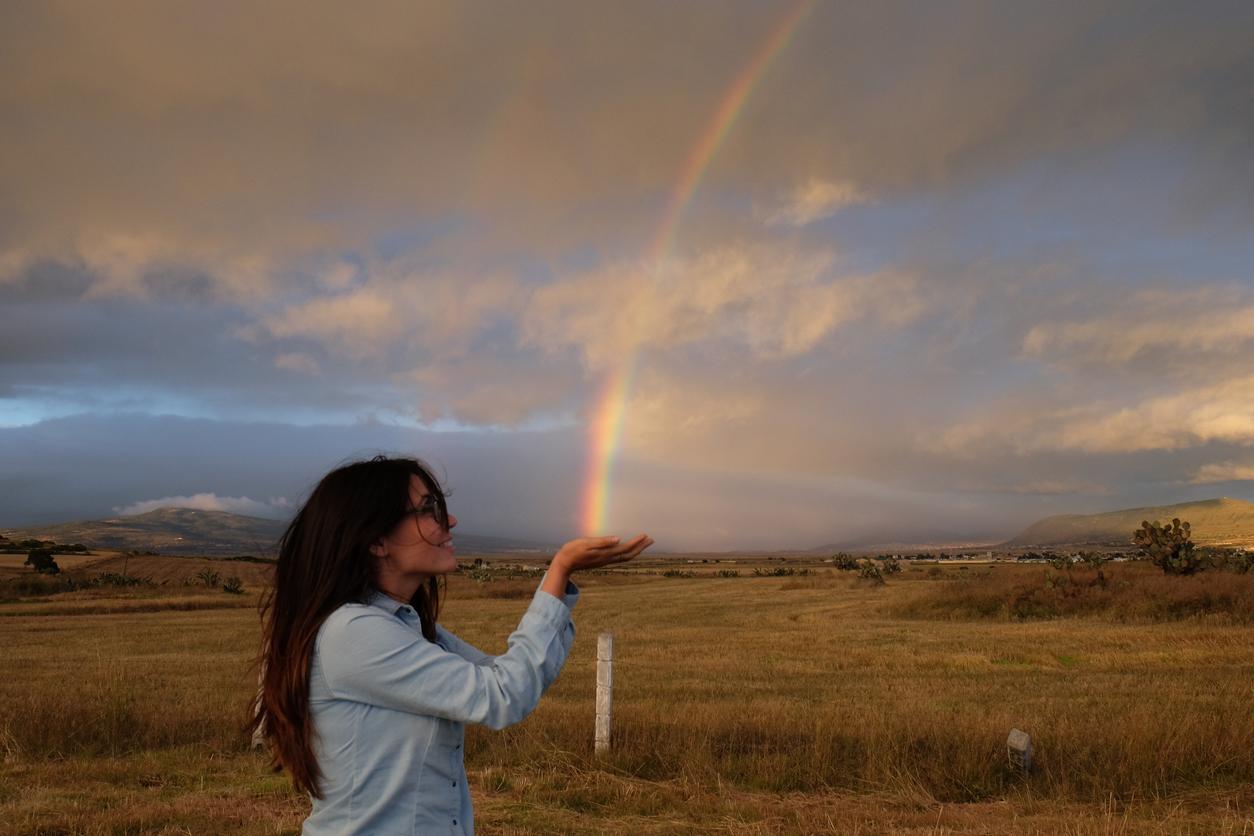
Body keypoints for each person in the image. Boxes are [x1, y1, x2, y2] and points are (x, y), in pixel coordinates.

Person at [249, 455, 652, 835]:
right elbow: (503, 695)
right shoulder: (352, 633)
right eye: (427, 510)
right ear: (376, 540)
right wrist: (559, 569)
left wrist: (559, 584)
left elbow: (507, 678)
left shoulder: (405, 626)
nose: (451, 521)